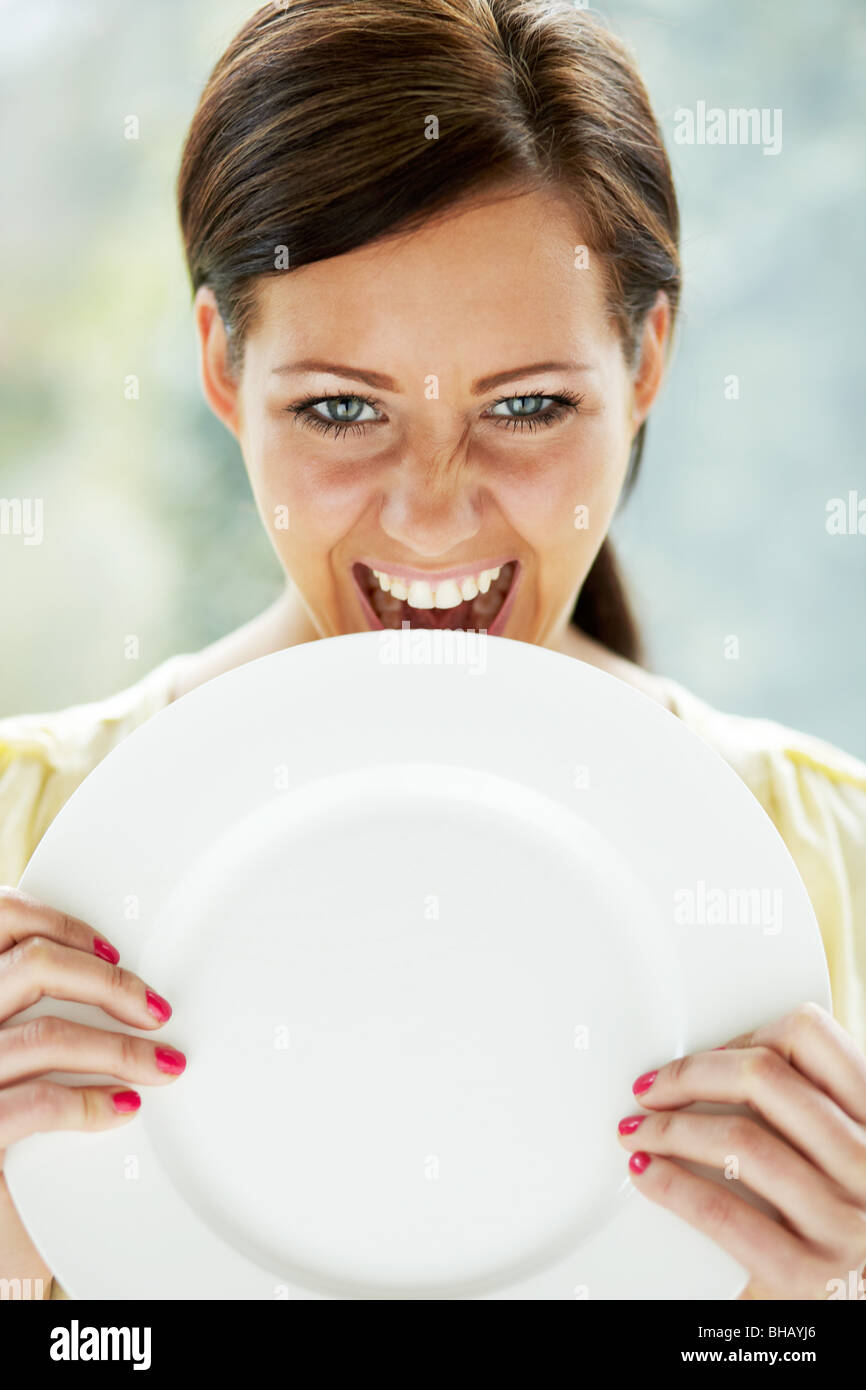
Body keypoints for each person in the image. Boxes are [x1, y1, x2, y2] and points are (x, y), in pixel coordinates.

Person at [2, 0, 865, 1303]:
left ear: (645, 364)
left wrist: (804, 1308)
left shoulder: (838, 866)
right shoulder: (20, 842)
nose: (431, 514)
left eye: (529, 404)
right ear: (222, 370)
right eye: (339, 409)